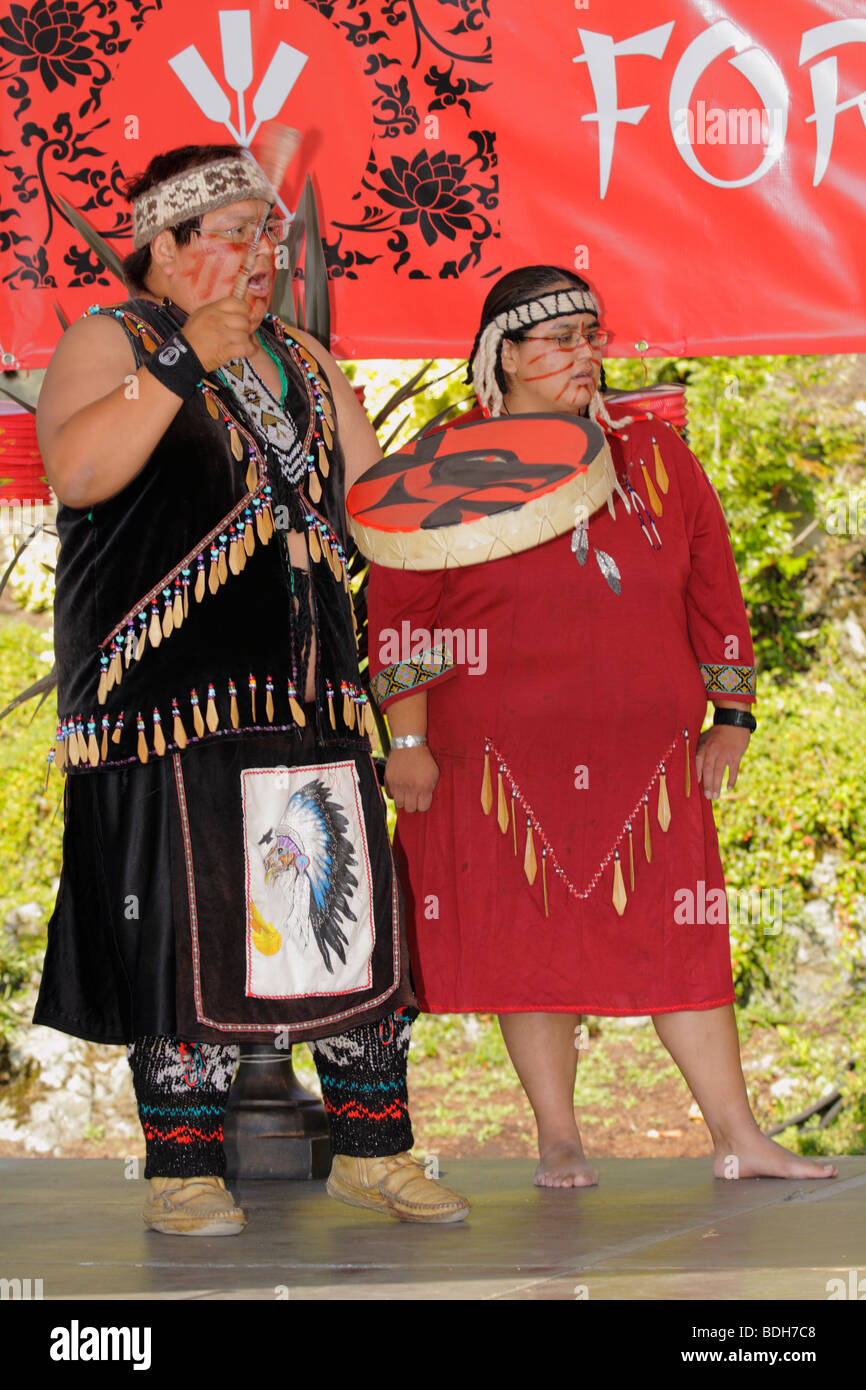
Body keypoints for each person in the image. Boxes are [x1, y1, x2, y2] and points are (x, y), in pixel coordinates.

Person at [33, 142, 468, 1232]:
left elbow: (378, 512)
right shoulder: (109, 338)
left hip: (309, 693)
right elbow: (78, 472)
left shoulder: (306, 360)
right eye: (231, 233)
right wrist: (182, 362)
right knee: (185, 932)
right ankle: (183, 1170)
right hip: (168, 701)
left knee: (344, 923)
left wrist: (497, 462)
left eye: (267, 233)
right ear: (164, 250)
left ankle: (376, 1147)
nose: (261, 254)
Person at [365, 264, 838, 1189]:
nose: (586, 355)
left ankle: (739, 1137)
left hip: (648, 760)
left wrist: (732, 713)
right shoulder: (441, 461)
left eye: (594, 336)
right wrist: (408, 741)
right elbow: (404, 605)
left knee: (682, 939)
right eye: (560, 340)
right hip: (493, 754)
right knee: (525, 944)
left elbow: (714, 584)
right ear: (501, 356)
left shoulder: (658, 453)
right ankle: (558, 1137)